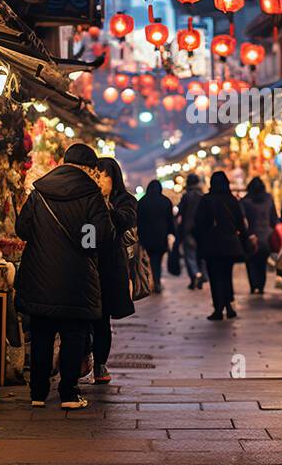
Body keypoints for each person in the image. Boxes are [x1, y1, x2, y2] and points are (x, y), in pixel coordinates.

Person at [14, 143, 116, 409]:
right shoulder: (91, 195)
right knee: (73, 335)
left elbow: (22, 229)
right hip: (76, 279)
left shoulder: (39, 192)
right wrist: (82, 241)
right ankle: (69, 394)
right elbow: (95, 238)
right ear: (88, 168)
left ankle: (37, 393)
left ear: (63, 162)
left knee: (42, 336)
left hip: (39, 277)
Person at [92, 157, 137, 385]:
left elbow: (125, 220)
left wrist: (104, 206)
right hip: (87, 263)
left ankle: (100, 362)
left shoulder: (125, 200)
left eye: (103, 174)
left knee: (102, 317)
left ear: (114, 177)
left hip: (111, 267)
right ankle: (81, 357)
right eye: (95, 174)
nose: (98, 179)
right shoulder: (86, 198)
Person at [194, 170, 248, 320]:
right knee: (226, 275)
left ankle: (218, 309)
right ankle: (229, 306)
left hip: (212, 245)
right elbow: (241, 224)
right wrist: (244, 243)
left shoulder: (206, 200)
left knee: (215, 276)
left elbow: (198, 224)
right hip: (230, 245)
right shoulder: (232, 200)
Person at [240, 177, 278, 294]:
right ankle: (261, 286)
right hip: (266, 237)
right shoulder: (269, 199)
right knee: (262, 264)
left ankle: (253, 286)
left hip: (251, 237)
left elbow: (242, 221)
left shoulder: (245, 201)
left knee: (251, 262)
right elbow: (274, 218)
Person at [136, 180, 174, 293]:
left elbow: (138, 221)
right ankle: (157, 281)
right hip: (161, 235)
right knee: (158, 258)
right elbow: (170, 220)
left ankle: (155, 281)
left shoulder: (142, 202)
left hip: (146, 236)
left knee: (152, 259)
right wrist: (172, 232)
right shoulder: (165, 201)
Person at [176, 173, 206, 289]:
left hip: (188, 229)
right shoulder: (202, 195)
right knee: (201, 254)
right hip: (201, 229)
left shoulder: (186, 196)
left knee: (190, 255)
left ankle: (194, 275)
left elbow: (180, 212)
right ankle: (202, 274)